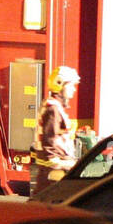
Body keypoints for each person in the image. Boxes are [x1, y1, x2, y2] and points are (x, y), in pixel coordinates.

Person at [31, 65, 81, 194]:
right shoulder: (54, 109)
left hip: (49, 169)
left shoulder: (53, 105)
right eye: (71, 86)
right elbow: (50, 142)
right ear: (60, 84)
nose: (74, 90)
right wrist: (64, 164)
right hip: (53, 171)